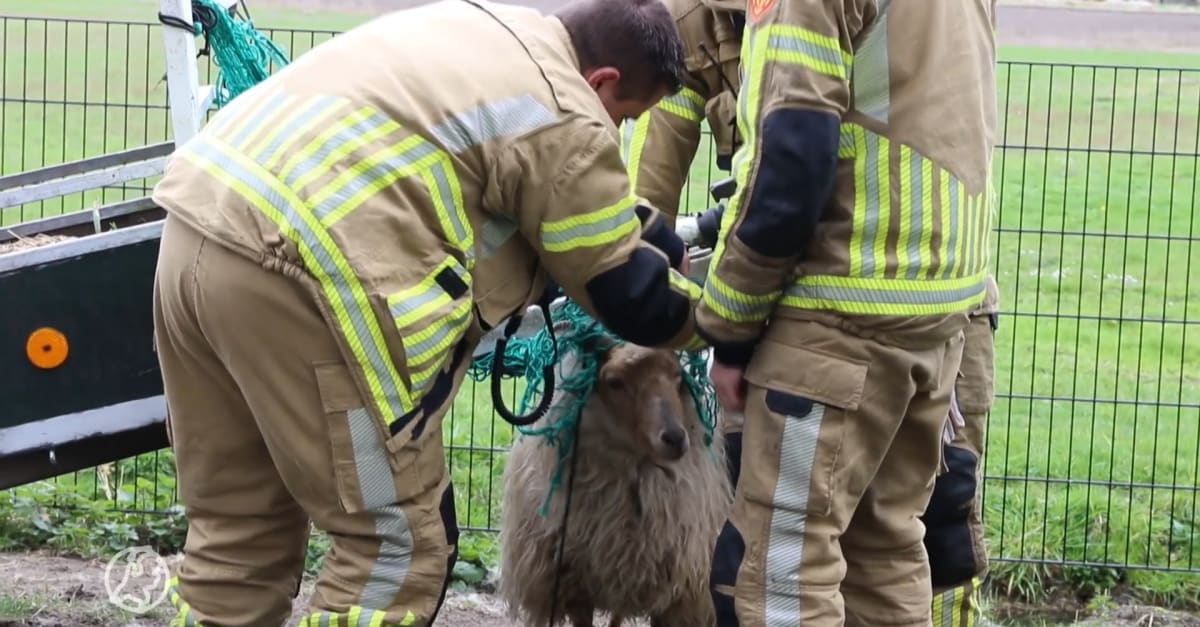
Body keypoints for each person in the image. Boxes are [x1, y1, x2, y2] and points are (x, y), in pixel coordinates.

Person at [148, 0, 706, 624]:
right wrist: (720, 316)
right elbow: (626, 291)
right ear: (601, 81)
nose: (616, 136)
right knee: (398, 547)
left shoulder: (489, 33)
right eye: (624, 118)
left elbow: (570, 198)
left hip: (196, 233)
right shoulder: (563, 109)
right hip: (298, 282)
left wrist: (664, 239)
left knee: (238, 530)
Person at [691, 0, 1001, 625]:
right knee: (885, 548)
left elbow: (791, 156)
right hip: (939, 309)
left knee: (784, 569)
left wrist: (729, 330)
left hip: (836, 319)